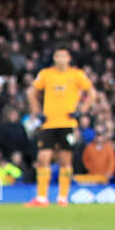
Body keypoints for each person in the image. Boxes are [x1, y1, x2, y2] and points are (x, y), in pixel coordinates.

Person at [25, 47, 96, 207]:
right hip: (49, 123)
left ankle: (62, 197)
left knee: (65, 160)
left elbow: (92, 93)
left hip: (67, 123)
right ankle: (42, 197)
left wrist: (81, 111)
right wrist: (37, 112)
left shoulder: (76, 75)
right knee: (43, 158)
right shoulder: (46, 74)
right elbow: (31, 92)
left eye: (63, 56)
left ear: (69, 58)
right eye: (57, 56)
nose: (60, 59)